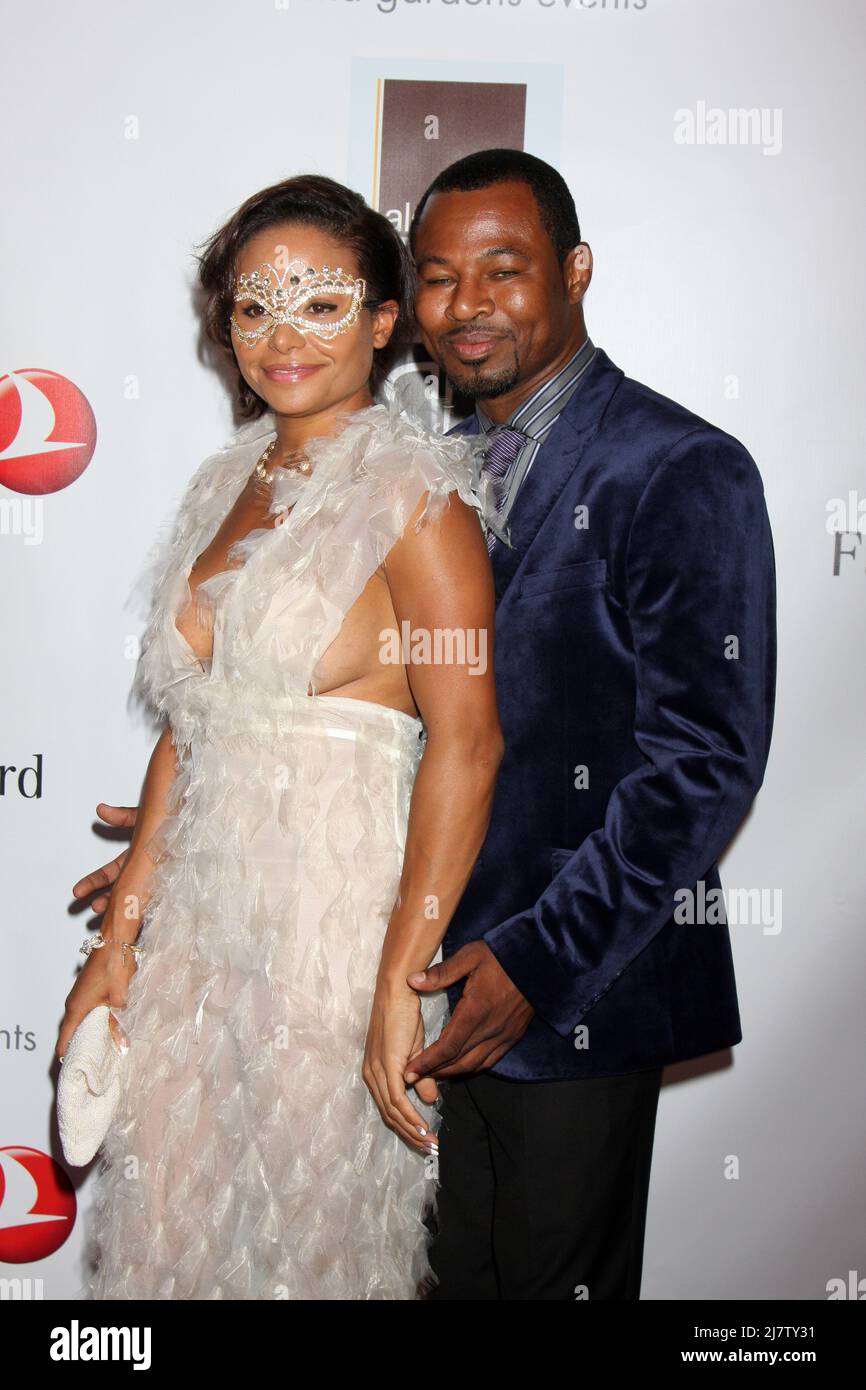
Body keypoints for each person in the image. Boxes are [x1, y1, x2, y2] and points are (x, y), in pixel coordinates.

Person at [56, 173, 503, 1300]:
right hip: (200, 936)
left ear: (383, 319)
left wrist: (404, 973)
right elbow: (189, 734)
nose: (281, 334)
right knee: (174, 1233)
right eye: (253, 305)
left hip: (337, 930)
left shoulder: (416, 492)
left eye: (318, 301)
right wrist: (120, 949)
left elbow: (467, 741)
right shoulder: (225, 482)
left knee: (315, 1249)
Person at [396, 149, 777, 1299]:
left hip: (576, 991)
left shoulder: (679, 466)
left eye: (501, 270)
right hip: (415, 983)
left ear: (573, 272)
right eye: (435, 277)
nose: (465, 306)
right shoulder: (421, 474)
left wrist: (536, 957)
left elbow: (702, 758)